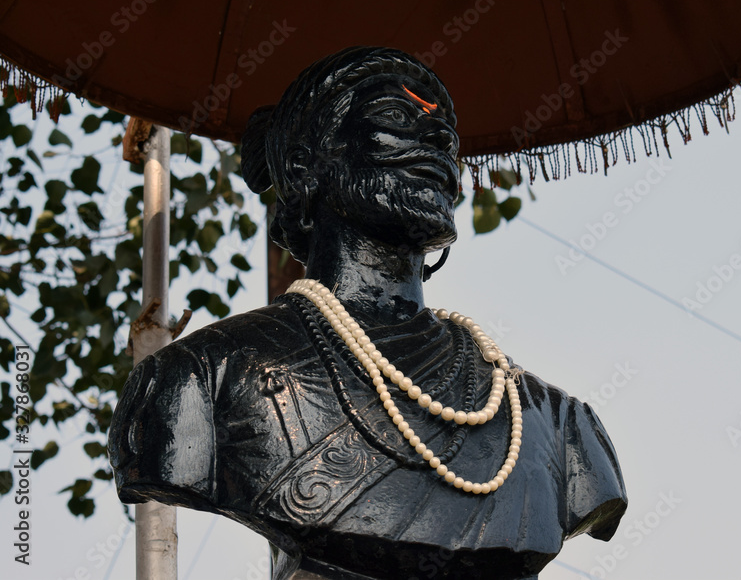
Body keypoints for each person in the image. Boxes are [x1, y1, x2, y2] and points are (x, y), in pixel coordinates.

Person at [109, 47, 627, 580]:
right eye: (398, 117)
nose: (437, 142)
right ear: (305, 165)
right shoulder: (200, 379)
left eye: (445, 133)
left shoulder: (555, 421)